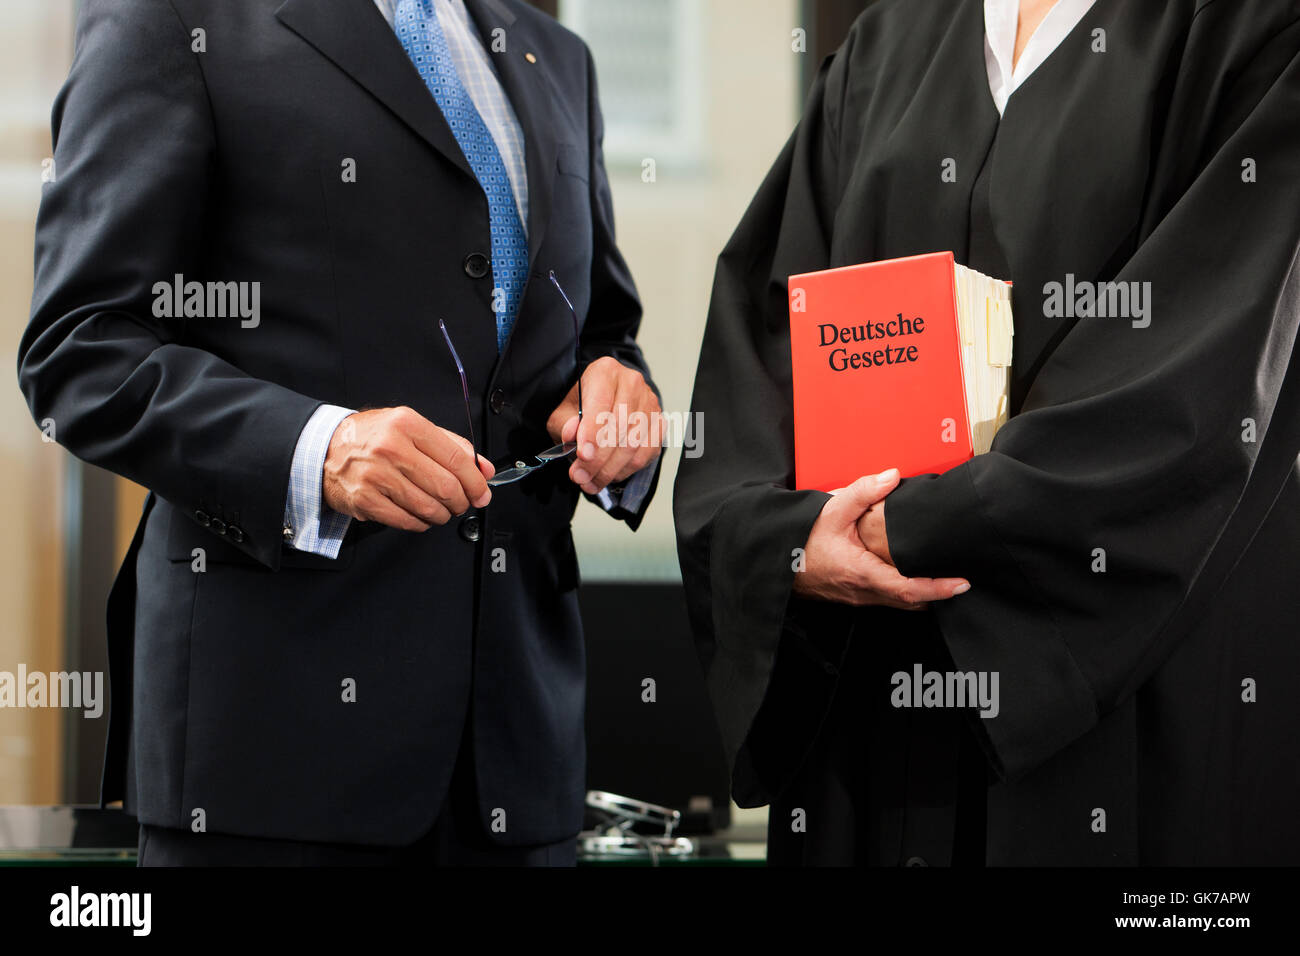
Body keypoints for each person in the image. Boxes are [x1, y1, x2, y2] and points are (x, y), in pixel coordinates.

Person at [19, 0, 663, 866]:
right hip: (272, 759)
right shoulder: (171, 20)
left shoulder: (558, 57)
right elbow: (81, 348)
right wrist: (316, 449)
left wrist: (620, 391)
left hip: (521, 767)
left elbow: (598, 332)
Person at [674, 0, 1300, 866]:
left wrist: (910, 527)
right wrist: (785, 538)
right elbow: (767, 329)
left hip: (1126, 701)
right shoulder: (888, 41)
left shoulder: (1253, 30)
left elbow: (1199, 372)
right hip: (871, 700)